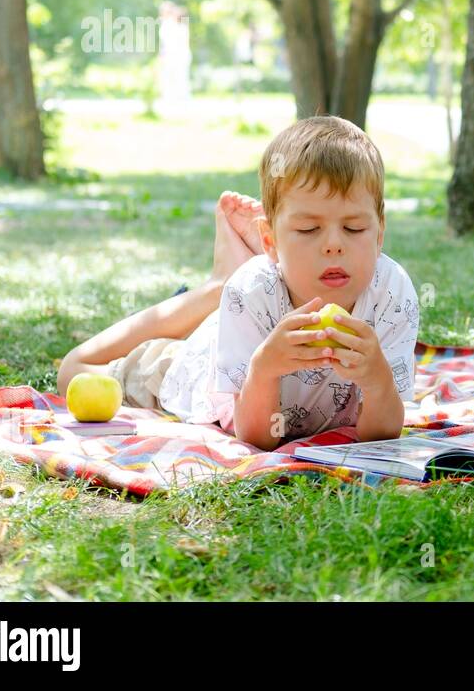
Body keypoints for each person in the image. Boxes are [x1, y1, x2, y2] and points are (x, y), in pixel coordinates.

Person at [57, 117, 418, 451]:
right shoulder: (250, 293)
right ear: (271, 238)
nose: (334, 244)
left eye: (354, 228)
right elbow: (258, 438)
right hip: (201, 367)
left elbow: (381, 436)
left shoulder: (392, 295)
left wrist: (378, 381)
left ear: (380, 231)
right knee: (75, 369)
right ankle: (218, 286)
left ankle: (221, 285)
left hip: (242, 313)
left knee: (236, 296)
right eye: (308, 229)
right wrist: (264, 369)